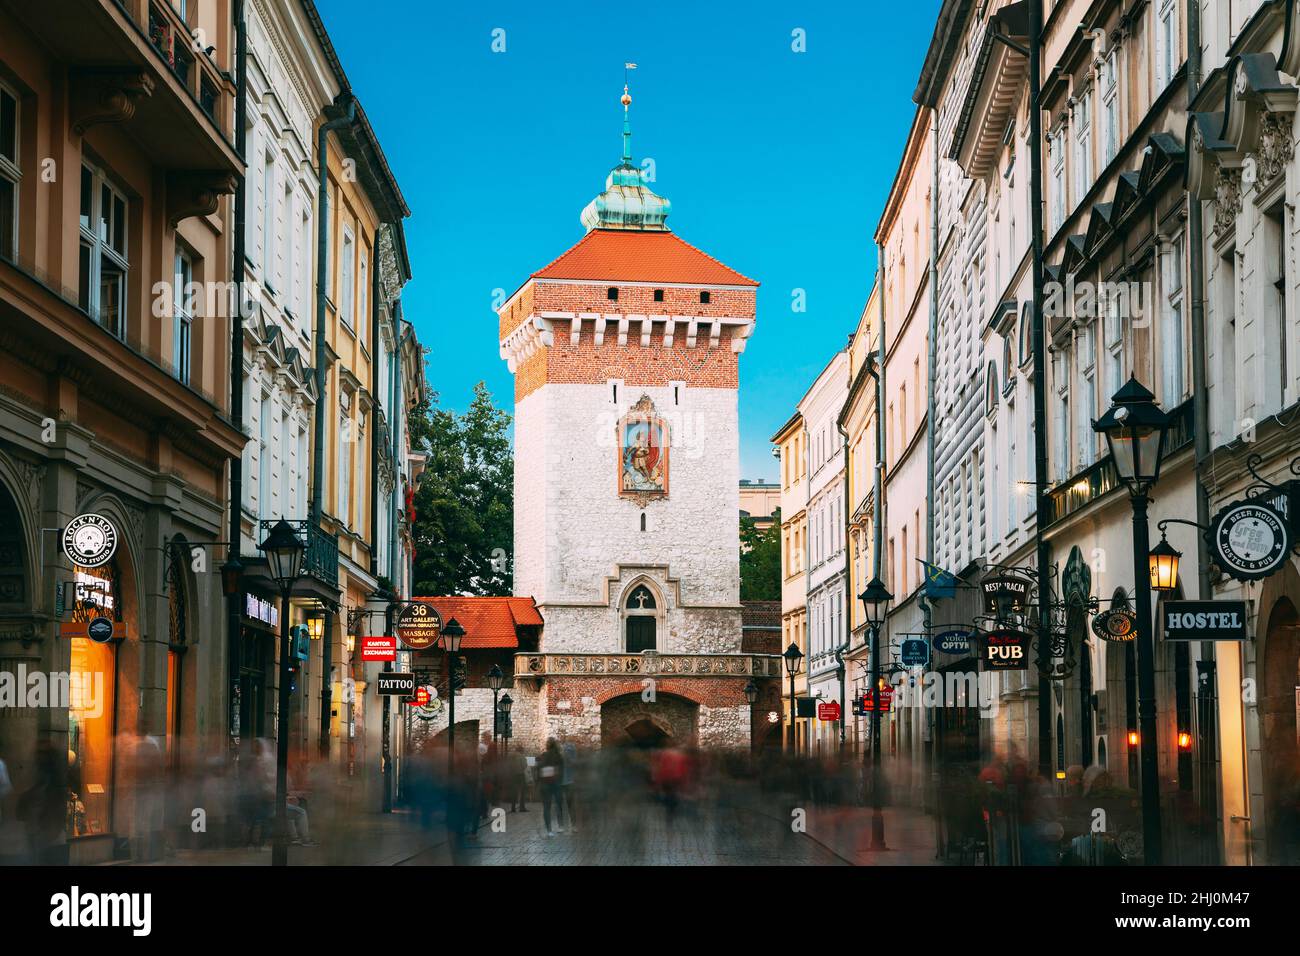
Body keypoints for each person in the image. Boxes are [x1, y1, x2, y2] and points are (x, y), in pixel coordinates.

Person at [537, 738, 565, 836]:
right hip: (556, 783)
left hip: (545, 783)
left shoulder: (544, 756)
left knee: (546, 807)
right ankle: (560, 826)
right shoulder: (559, 757)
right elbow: (562, 771)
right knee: (559, 805)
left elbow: (538, 770)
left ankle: (549, 830)